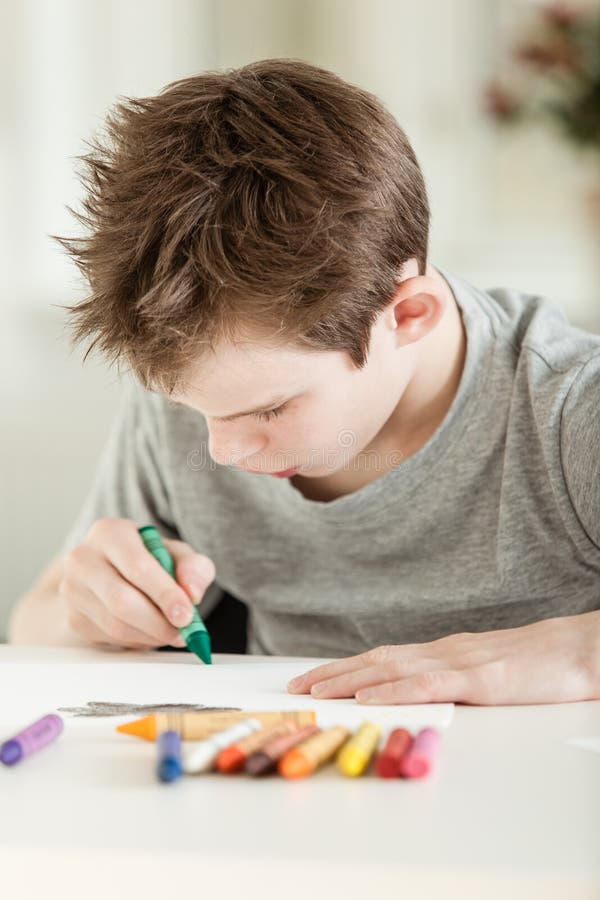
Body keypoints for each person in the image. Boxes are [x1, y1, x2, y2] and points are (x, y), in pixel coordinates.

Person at [9, 59, 600, 706]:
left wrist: (580, 657)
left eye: (270, 410)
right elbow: (32, 626)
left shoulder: (571, 410)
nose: (221, 452)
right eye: (191, 408)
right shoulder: (195, 392)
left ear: (408, 316)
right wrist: (88, 612)